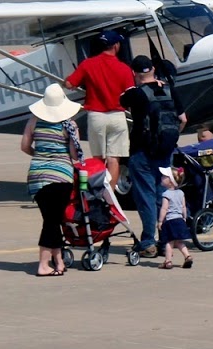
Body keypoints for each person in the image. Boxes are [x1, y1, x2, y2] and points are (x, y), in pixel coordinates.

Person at [121, 55, 186, 256]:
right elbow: (183, 119)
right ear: (153, 70)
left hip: (142, 151)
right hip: (165, 151)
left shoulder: (136, 94)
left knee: (145, 196)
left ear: (134, 73)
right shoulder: (168, 89)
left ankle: (149, 241)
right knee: (162, 195)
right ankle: (165, 239)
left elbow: (122, 100)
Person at [20, 83, 82, 277]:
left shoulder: (34, 120)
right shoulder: (69, 125)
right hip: (60, 176)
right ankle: (43, 265)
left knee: (51, 219)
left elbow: (24, 146)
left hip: (36, 176)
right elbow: (74, 154)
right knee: (52, 221)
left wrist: (39, 154)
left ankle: (59, 261)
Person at [64, 31, 133, 190]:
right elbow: (130, 95)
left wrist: (67, 80)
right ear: (116, 46)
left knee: (98, 158)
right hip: (117, 116)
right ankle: (111, 196)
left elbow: (69, 84)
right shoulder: (124, 68)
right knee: (113, 159)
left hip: (96, 116)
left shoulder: (88, 64)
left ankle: (98, 191)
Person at [156, 166, 193, 269]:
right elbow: (183, 207)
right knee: (179, 241)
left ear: (171, 182)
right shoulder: (181, 193)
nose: (162, 177)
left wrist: (160, 221)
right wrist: (184, 217)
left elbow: (164, 209)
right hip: (180, 220)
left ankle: (168, 261)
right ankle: (187, 256)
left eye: (164, 176)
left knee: (169, 242)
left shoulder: (166, 194)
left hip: (170, 221)